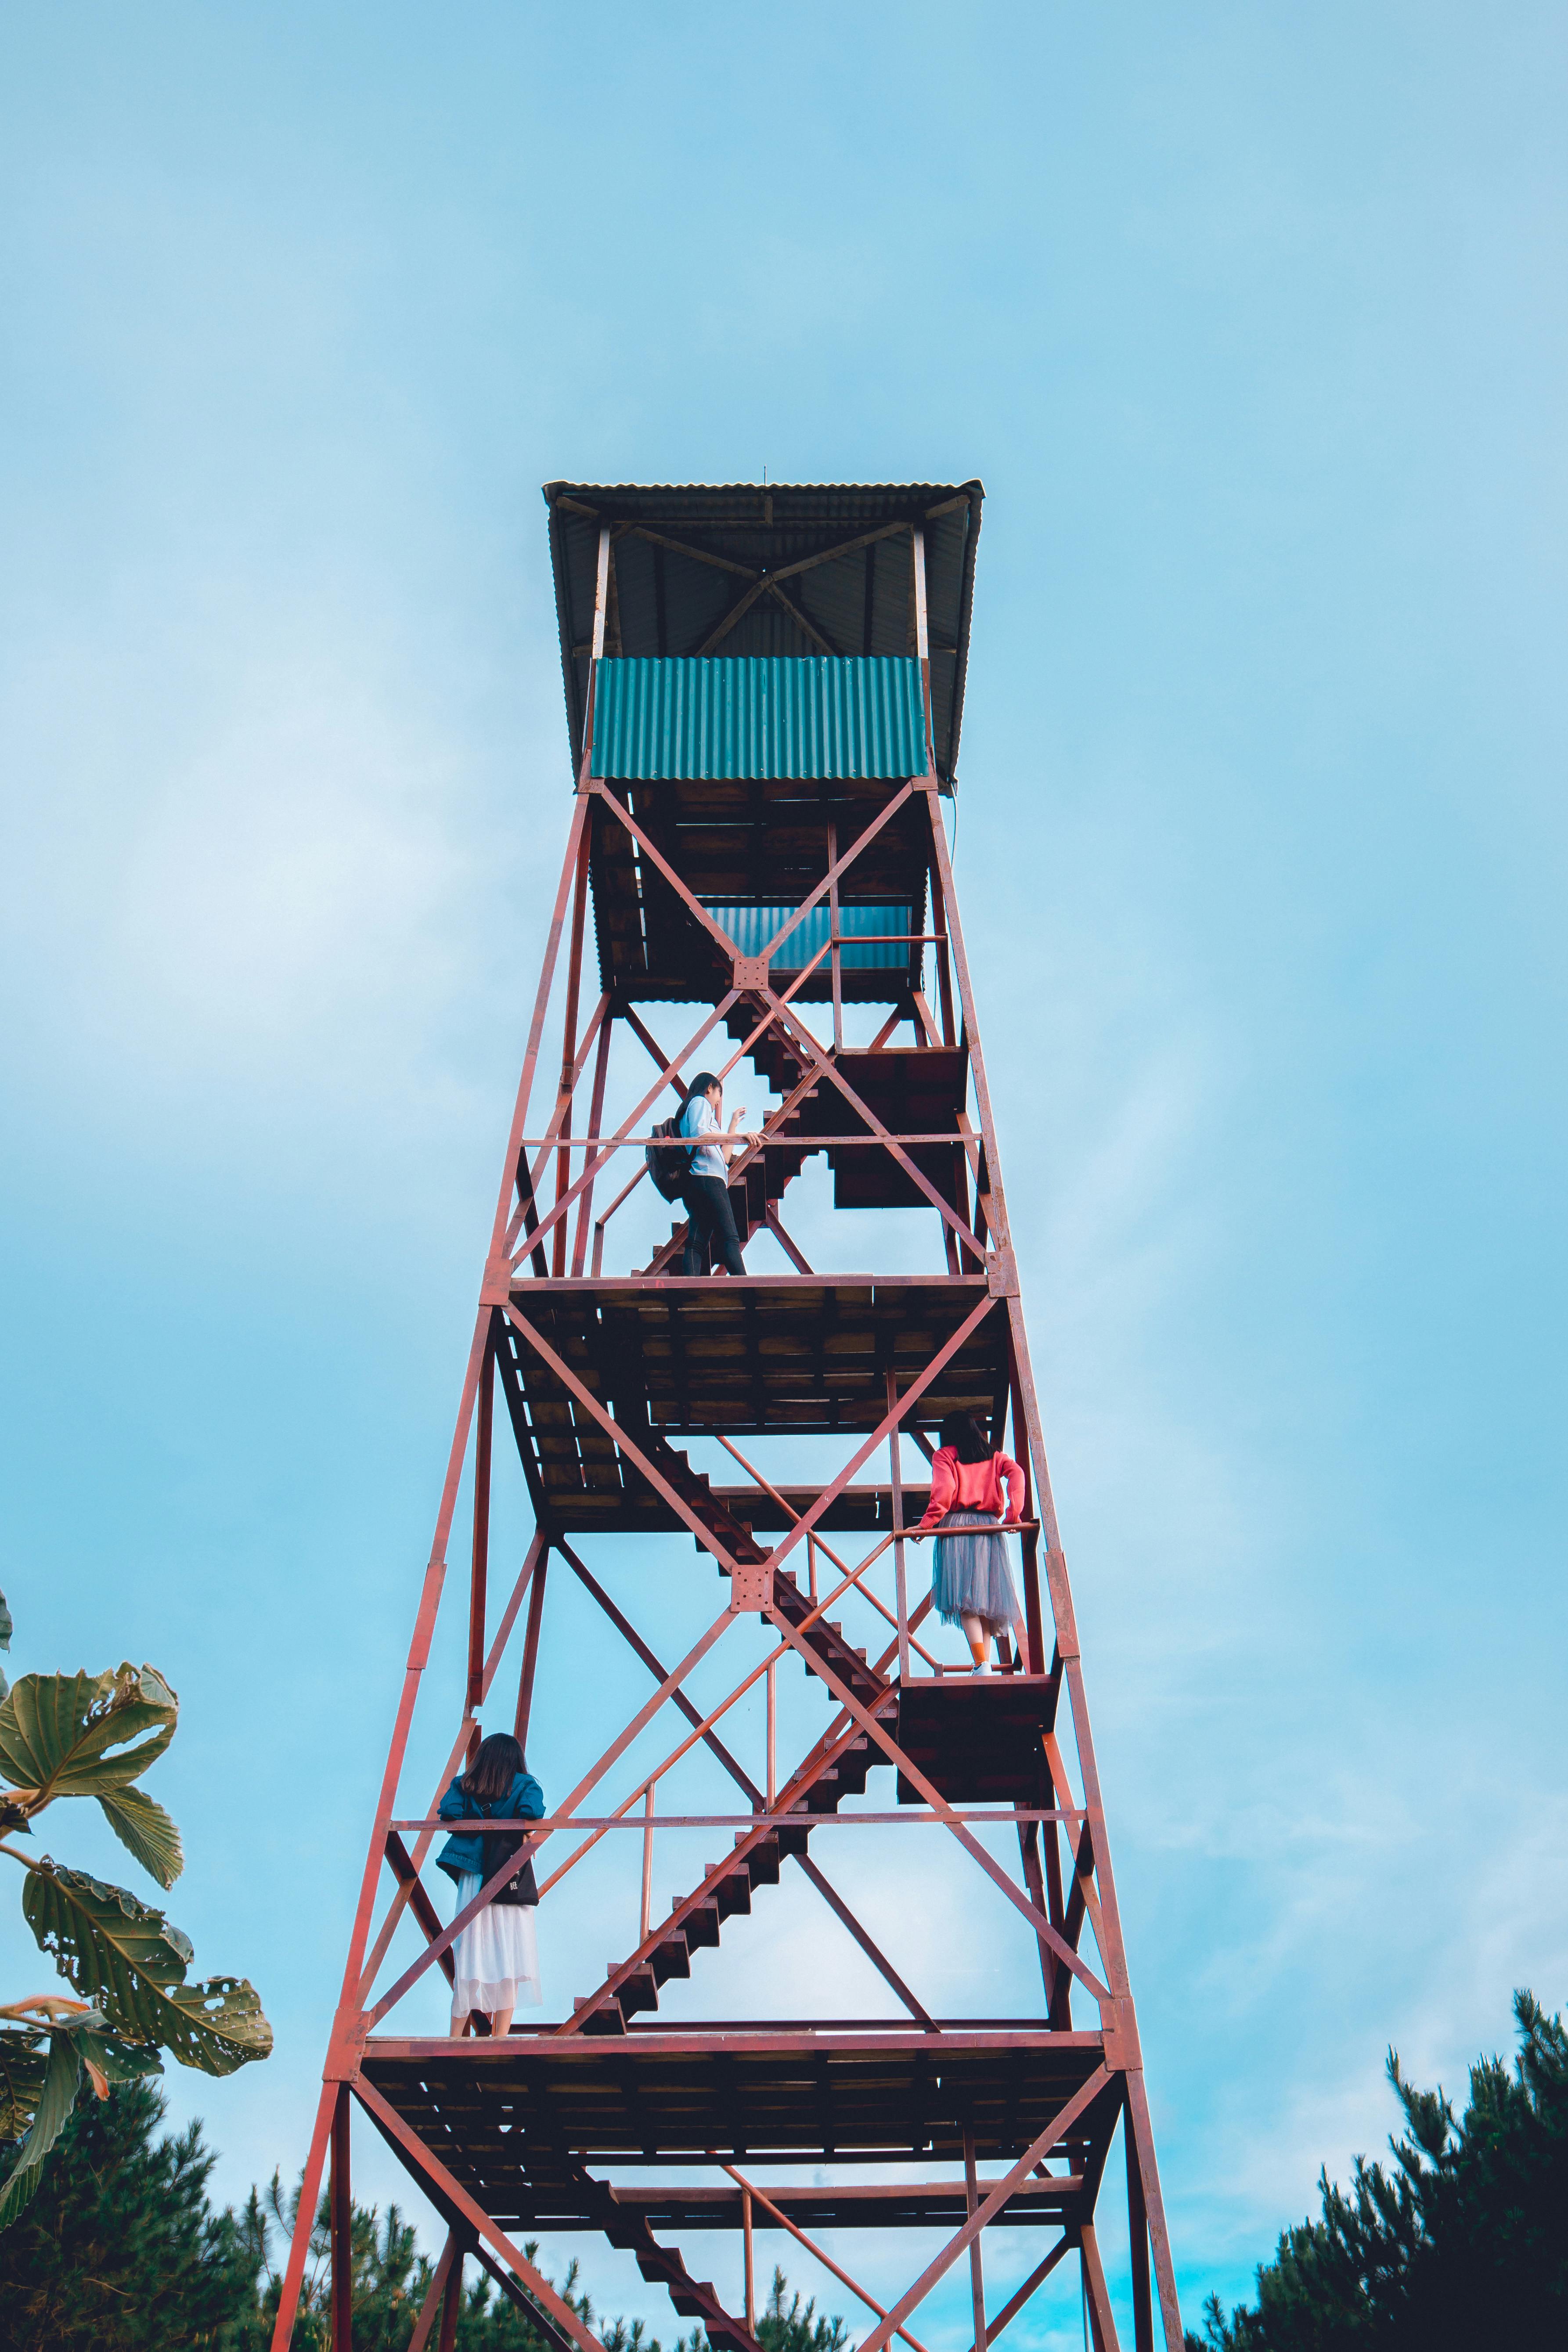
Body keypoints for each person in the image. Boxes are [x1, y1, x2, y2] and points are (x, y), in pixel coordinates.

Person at [436, 1731, 545, 2038]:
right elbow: (532, 1812)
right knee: (510, 1952)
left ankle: (455, 2037)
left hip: (475, 1876)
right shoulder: (524, 1783)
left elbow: (450, 1812)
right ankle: (499, 2038)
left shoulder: (464, 1784)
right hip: (509, 1872)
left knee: (471, 1950)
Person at [915, 1412, 1025, 1672]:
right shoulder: (996, 1458)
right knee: (982, 1600)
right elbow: (1018, 1475)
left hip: (958, 1527)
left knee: (965, 1598)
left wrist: (926, 1524)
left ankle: (982, 1663)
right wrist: (1014, 1514)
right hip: (989, 1528)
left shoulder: (946, 1456)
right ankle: (983, 1664)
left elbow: (944, 1492)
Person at [678, 1071, 753, 1277]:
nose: (717, 1103)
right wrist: (739, 1136)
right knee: (730, 1237)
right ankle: (746, 1286)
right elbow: (702, 1136)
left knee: (697, 1243)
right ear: (710, 1088)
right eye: (718, 1096)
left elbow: (724, 1159)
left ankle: (691, 1288)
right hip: (709, 1180)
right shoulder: (700, 1102)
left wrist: (733, 1126)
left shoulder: (693, 1112)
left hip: (702, 1179)